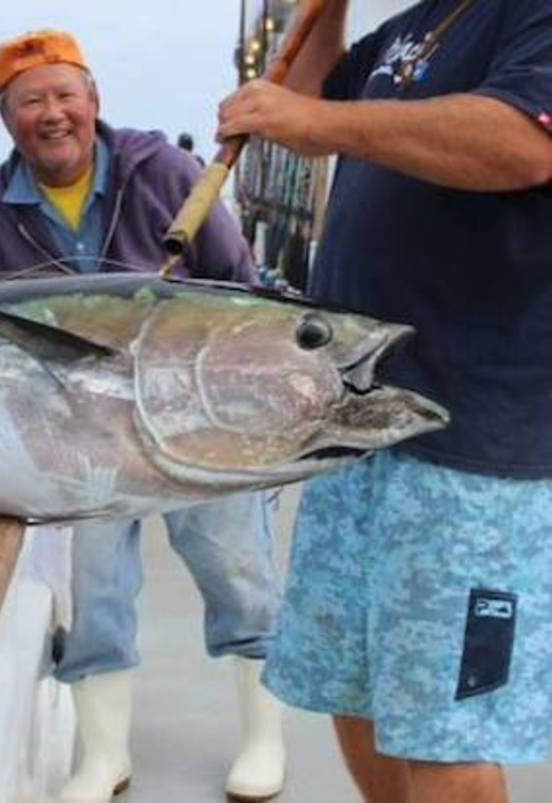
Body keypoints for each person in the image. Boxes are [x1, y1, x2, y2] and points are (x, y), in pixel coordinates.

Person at [217, 1, 552, 802]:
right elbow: (302, 89)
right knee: (355, 689)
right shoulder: (415, 24)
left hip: (467, 440)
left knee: (444, 732)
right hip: (356, 424)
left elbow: (523, 141)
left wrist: (319, 122)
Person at [0, 30, 287, 802]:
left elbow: (238, 288)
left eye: (64, 94)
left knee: (242, 582)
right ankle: (104, 756)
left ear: (94, 101)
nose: (52, 113)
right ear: (5, 117)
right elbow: (6, 354)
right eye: (30, 100)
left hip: (207, 426)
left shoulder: (165, 171)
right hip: (89, 443)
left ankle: (267, 740)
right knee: (97, 597)